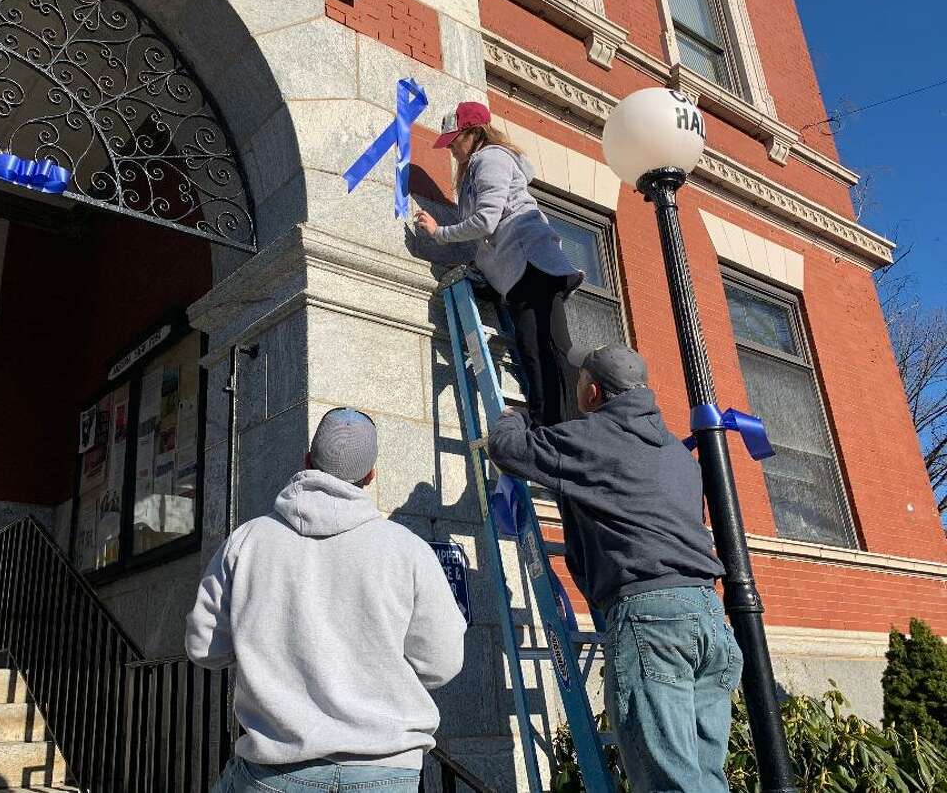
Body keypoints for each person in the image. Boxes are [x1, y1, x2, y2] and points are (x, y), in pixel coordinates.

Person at [487, 344, 741, 793]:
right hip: (708, 620)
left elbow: (508, 450)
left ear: (594, 392)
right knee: (704, 781)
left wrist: (513, 417)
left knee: (668, 785)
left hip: (652, 621)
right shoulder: (677, 454)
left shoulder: (592, 436)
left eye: (581, 380)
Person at [186, 407, 466, 792]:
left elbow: (204, 648)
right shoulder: (409, 550)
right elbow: (440, 664)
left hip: (276, 768)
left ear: (306, 462)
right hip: (386, 770)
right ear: (371, 476)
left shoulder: (247, 542)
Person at [415, 101, 583, 427]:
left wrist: (439, 233)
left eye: (454, 139)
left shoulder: (490, 158)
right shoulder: (478, 168)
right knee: (536, 347)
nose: (450, 148)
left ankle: (561, 425)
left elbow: (486, 220)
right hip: (522, 268)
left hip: (531, 263)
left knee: (546, 347)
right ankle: (552, 423)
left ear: (474, 133)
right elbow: (490, 231)